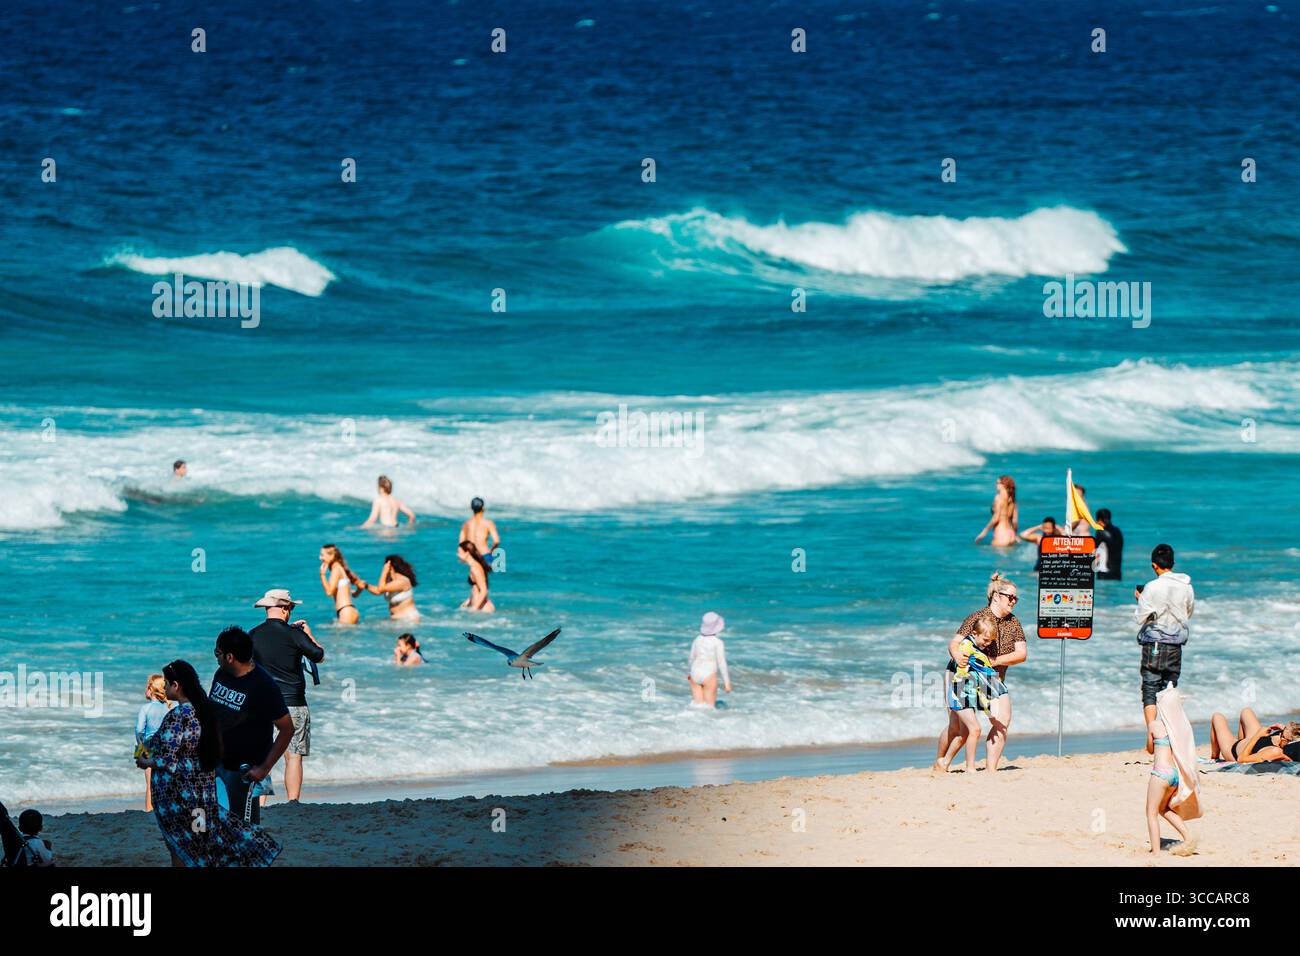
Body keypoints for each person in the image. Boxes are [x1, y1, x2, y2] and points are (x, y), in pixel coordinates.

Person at [138, 658, 281, 866]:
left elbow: (166, 759)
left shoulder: (177, 715)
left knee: (180, 844)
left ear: (176, 686)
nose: (166, 687)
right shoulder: (205, 712)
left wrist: (145, 761)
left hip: (179, 794)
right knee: (201, 841)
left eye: (168, 683)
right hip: (203, 790)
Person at [935, 572, 1027, 773]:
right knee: (958, 730)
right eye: (1010, 597)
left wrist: (993, 661)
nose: (1013, 601)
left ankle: (991, 771)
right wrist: (957, 655)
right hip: (962, 675)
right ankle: (940, 762)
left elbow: (1021, 654)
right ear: (996, 596)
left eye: (1016, 598)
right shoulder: (977, 618)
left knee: (1002, 721)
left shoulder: (1014, 623)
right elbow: (955, 643)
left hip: (991, 678)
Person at [209, 627, 294, 826]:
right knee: (218, 821)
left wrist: (265, 767)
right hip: (218, 763)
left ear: (230, 657)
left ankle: (245, 857)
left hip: (245, 770)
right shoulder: (221, 674)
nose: (216, 657)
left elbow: (287, 729)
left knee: (244, 825)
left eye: (217, 653)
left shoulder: (263, 686)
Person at [249, 590, 325, 804]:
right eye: (291, 608)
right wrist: (308, 633)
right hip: (293, 702)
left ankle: (259, 804)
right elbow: (319, 656)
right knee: (293, 756)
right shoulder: (294, 634)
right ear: (284, 608)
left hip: (262, 704)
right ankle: (292, 802)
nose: (291, 612)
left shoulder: (252, 635)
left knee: (262, 754)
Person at [1135, 544, 1193, 750]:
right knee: (1170, 688)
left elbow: (1140, 617)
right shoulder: (1186, 586)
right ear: (1173, 563)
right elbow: (1189, 612)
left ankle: (1152, 734)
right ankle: (1168, 732)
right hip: (1176, 645)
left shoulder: (1152, 587)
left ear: (1154, 565)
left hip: (1154, 644)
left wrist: (1140, 599)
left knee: (1150, 687)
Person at [936, 617, 1007, 773]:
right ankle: (970, 768)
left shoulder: (978, 649)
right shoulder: (966, 646)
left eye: (990, 641)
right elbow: (962, 666)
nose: (987, 644)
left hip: (969, 694)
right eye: (986, 640)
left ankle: (944, 762)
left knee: (965, 733)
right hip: (959, 693)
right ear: (974, 633)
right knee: (975, 729)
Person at [1145, 716, 1195, 855]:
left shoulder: (1154, 724)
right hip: (1175, 774)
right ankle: (1188, 837)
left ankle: (1155, 852)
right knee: (1163, 808)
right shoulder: (1180, 725)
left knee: (1151, 813)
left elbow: (1150, 749)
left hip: (1161, 773)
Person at [135, 674, 174, 811]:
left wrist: (139, 751)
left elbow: (139, 731)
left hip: (148, 748)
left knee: (150, 785)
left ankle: (149, 812)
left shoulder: (146, 708)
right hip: (166, 749)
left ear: (151, 690)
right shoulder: (170, 707)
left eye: (147, 686)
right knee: (166, 784)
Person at [1209, 709, 1299, 763]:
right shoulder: (1287, 740)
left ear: (1288, 742)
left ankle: (1214, 757)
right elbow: (1292, 737)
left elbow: (1241, 759)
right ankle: (1246, 744)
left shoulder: (1275, 751)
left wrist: (1258, 735)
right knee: (1246, 711)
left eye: (1282, 735)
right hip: (1254, 741)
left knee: (1217, 717)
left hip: (1234, 750)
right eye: (1282, 731)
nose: (1279, 734)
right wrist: (1284, 728)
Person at [687, 612, 731, 707]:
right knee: (709, 708)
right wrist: (727, 683)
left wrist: (689, 673)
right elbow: (721, 663)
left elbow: (691, 658)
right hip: (708, 673)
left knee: (697, 706)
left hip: (695, 672)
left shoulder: (697, 639)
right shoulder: (718, 642)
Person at [366, 555, 419, 621]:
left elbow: (381, 588)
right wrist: (366, 586)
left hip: (408, 619)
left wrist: (384, 571)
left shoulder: (402, 581)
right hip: (396, 619)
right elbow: (378, 591)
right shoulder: (390, 581)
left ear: (389, 566)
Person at [319, 544, 363, 624]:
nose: (320, 558)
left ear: (332, 555)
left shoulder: (336, 568)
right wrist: (355, 593)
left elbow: (329, 592)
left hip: (345, 611)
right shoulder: (340, 568)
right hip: (349, 610)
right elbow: (361, 585)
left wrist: (322, 575)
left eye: (322, 555)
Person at [974, 476, 1019, 547]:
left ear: (1004, 485)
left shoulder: (998, 498)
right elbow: (1015, 521)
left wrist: (983, 532)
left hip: (1001, 534)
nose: (996, 485)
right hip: (1011, 534)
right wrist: (1015, 534)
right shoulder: (1013, 500)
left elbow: (996, 517)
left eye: (998, 483)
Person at [458, 497, 500, 570]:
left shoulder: (466, 524)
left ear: (471, 508)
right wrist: (491, 552)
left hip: (471, 556)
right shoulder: (488, 523)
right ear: (483, 508)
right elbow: (496, 541)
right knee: (483, 579)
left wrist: (463, 556)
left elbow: (461, 544)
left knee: (474, 578)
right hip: (484, 555)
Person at [458, 539, 495, 613]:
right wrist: (467, 602)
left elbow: (484, 590)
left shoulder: (475, 569)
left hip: (483, 608)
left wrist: (474, 608)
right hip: (480, 607)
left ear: (467, 553)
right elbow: (476, 588)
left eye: (459, 552)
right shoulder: (474, 566)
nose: (457, 555)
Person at [1093, 508, 1124, 580]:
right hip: (1117, 572)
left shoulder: (1100, 532)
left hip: (1104, 572)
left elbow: (1095, 552)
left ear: (1100, 520)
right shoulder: (1117, 531)